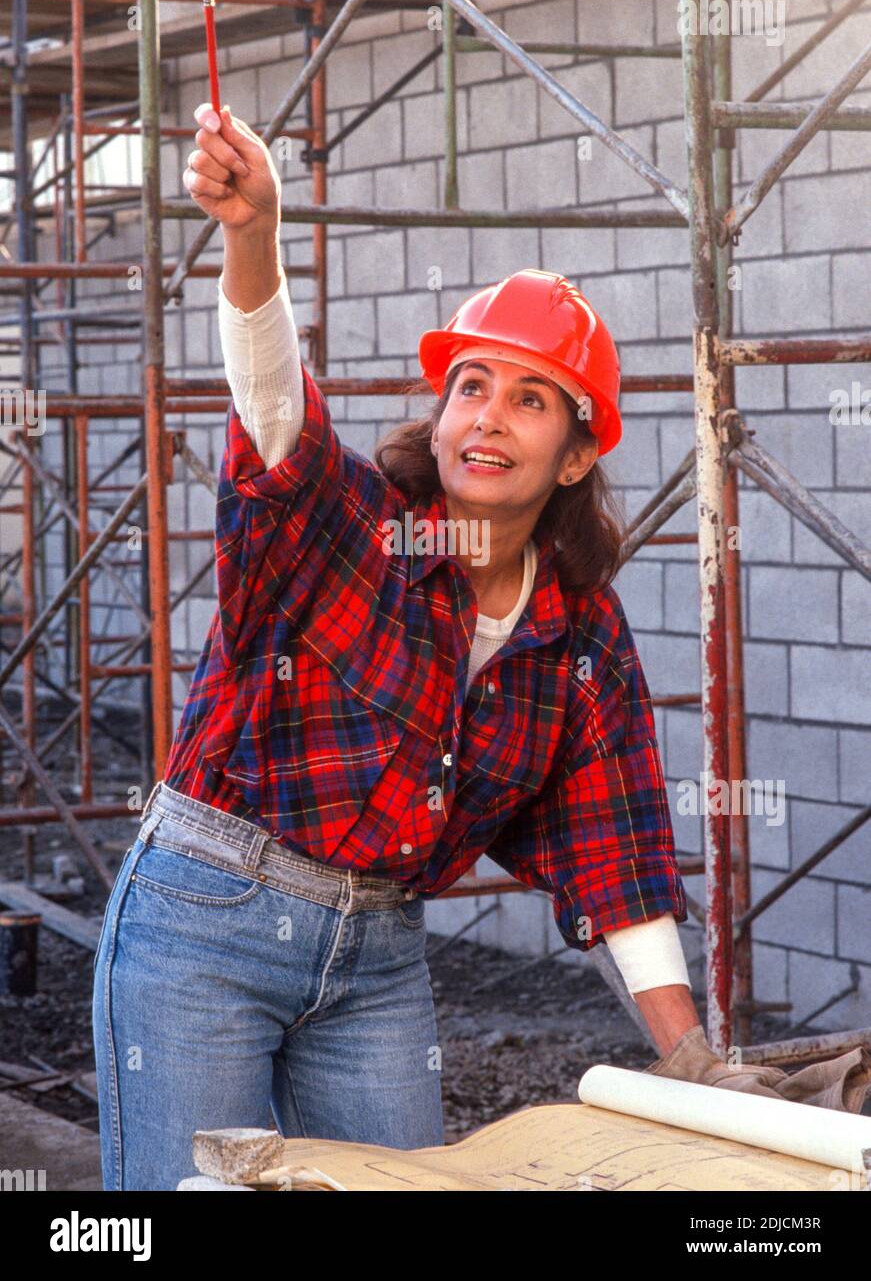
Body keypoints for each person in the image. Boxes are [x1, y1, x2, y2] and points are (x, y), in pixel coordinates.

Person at [92, 101, 703, 1193]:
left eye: (529, 399)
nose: (489, 417)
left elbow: (618, 852)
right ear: (441, 407)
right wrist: (252, 235)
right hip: (206, 919)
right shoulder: (355, 525)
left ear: (572, 454)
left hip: (376, 955)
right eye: (471, 385)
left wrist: (692, 1058)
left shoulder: (578, 630)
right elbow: (275, 417)